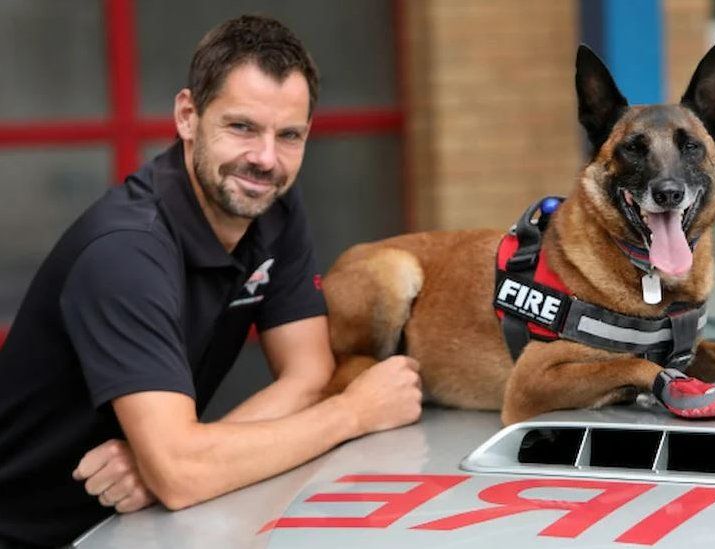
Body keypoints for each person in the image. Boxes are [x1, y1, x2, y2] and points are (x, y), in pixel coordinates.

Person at [0, 14, 421, 548]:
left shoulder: (275, 212)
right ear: (187, 116)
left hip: (145, 527)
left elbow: (309, 375)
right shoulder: (126, 251)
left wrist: (184, 457)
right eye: (242, 127)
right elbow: (184, 476)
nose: (266, 159)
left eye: (288, 135)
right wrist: (353, 412)